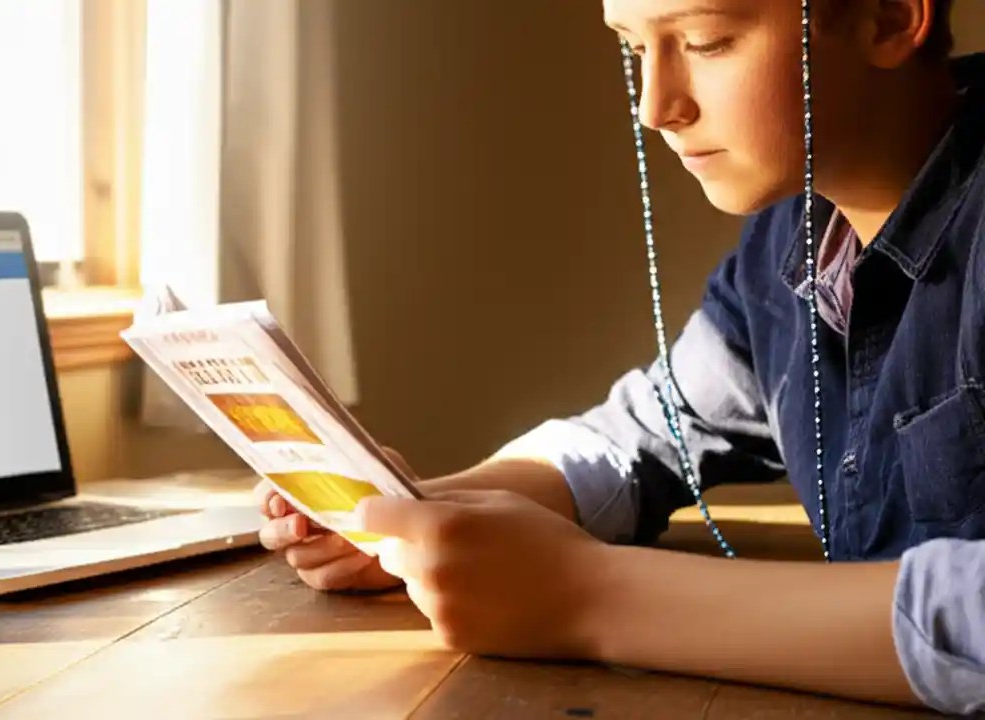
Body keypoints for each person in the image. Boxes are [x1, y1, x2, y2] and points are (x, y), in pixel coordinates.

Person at [255, 0, 985, 715]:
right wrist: (427, 517)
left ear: (889, 17)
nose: (655, 105)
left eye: (704, 42)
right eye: (635, 49)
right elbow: (646, 432)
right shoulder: (787, 242)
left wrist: (584, 595)